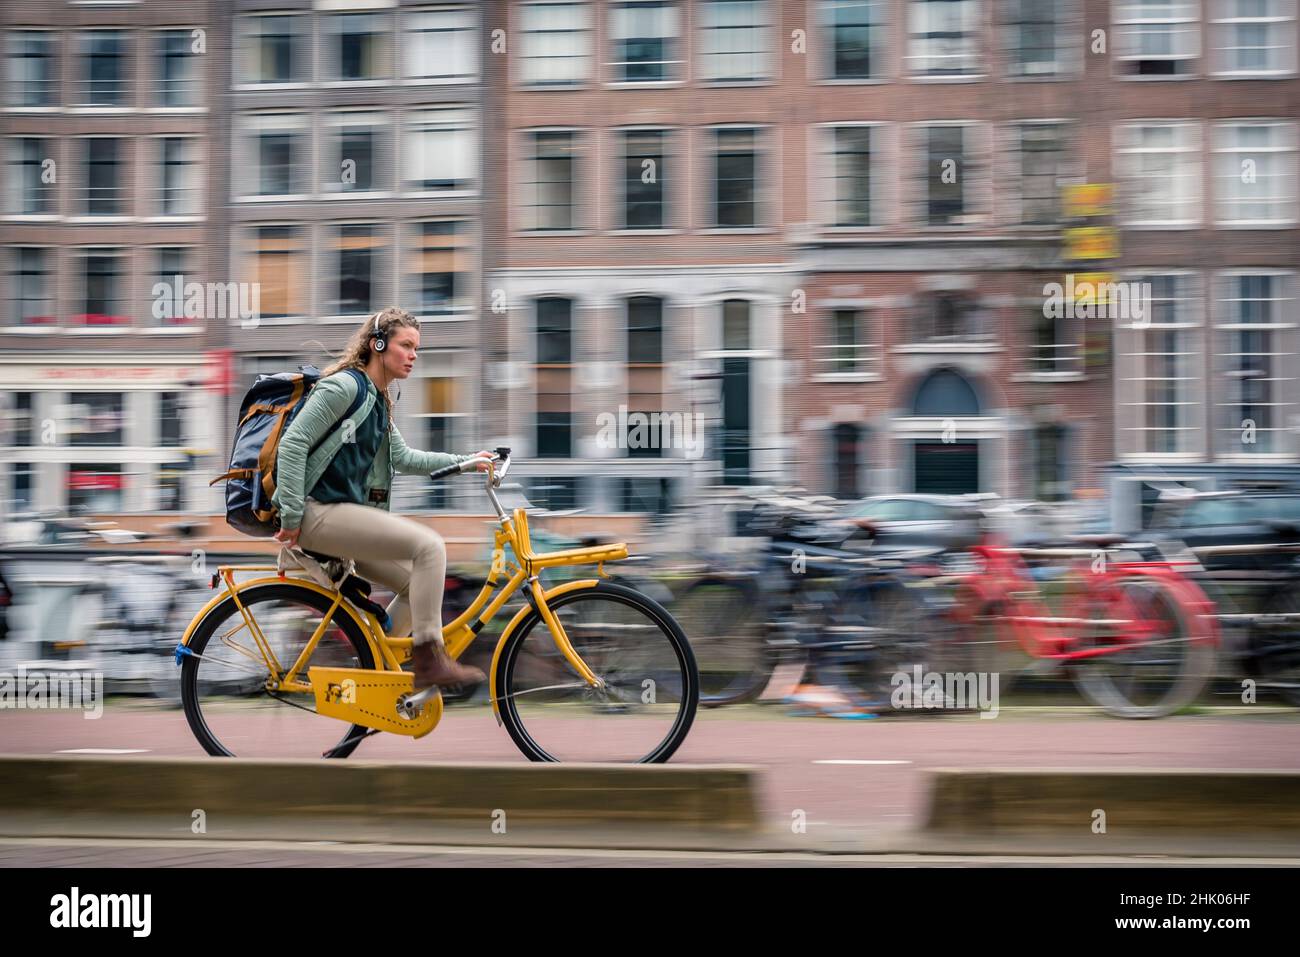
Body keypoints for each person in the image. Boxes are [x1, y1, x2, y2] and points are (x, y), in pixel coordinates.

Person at [271, 306, 493, 691]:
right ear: (377, 345)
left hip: (340, 516)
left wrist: (468, 462)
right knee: (430, 547)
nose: (413, 356)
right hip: (314, 513)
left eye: (416, 349)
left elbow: (405, 458)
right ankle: (429, 659)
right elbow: (292, 445)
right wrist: (290, 516)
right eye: (405, 345)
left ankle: (373, 666)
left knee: (417, 584)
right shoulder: (345, 388)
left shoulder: (377, 402)